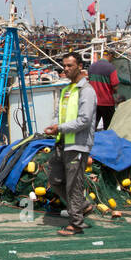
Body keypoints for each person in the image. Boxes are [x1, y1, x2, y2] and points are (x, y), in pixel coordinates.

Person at [44, 52, 98, 237]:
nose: (66, 69)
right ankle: (82, 206)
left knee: (73, 185)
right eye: (64, 66)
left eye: (70, 66)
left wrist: (60, 128)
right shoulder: (67, 90)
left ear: (80, 67)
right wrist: (56, 128)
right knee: (55, 179)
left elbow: (84, 120)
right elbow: (62, 114)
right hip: (63, 143)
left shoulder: (87, 91)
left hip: (78, 145)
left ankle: (76, 223)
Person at [88, 48, 120, 130]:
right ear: (110, 56)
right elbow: (115, 86)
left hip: (94, 101)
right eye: (112, 57)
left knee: (92, 127)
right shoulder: (111, 68)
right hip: (107, 102)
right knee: (109, 127)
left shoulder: (92, 66)